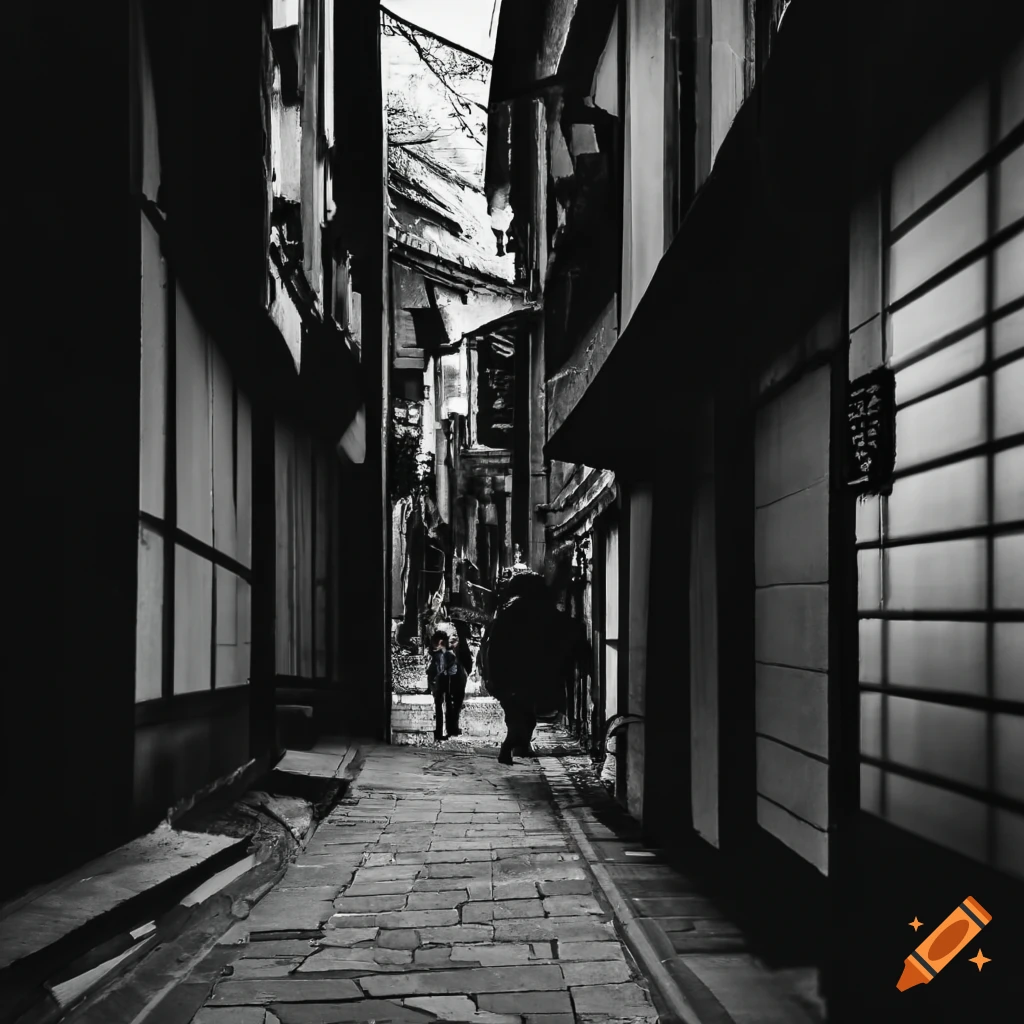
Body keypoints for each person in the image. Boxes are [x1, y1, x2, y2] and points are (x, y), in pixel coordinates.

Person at [425, 630, 458, 741]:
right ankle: (443, 731)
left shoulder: (439, 655)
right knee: (443, 707)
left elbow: (436, 670)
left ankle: (441, 732)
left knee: (440, 708)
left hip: (439, 684)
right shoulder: (446, 655)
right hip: (444, 684)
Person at [447, 626, 473, 737]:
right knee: (454, 705)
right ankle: (452, 728)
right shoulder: (460, 648)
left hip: (456, 679)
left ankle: (451, 728)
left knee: (453, 705)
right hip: (456, 679)